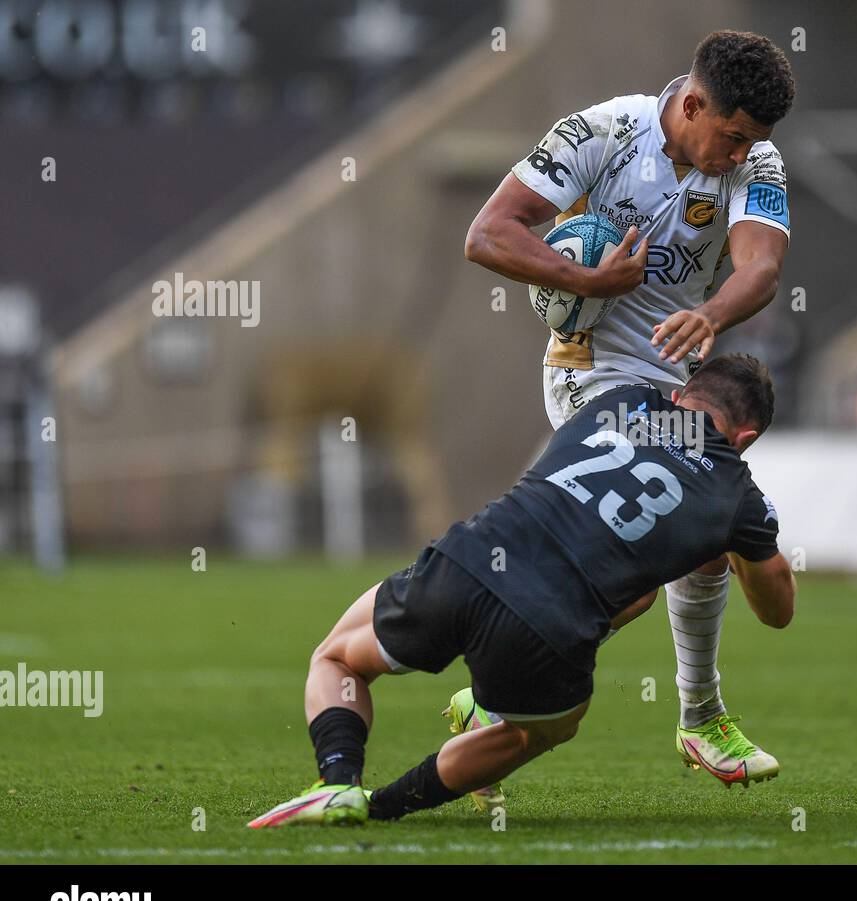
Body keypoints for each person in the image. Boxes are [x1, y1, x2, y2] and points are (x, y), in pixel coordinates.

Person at [248, 355, 796, 828]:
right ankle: (384, 808)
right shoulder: (738, 498)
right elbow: (777, 612)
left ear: (679, 395)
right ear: (745, 440)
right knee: (539, 729)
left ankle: (339, 779)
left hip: (471, 562)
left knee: (338, 657)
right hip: (550, 630)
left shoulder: (627, 398)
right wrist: (739, 543)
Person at [462, 30, 795, 790]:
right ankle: (689, 716)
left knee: (693, 548)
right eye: (733, 136)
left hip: (678, 376)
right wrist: (582, 280)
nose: (741, 154)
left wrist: (710, 313)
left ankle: (685, 716)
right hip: (590, 367)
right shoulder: (603, 133)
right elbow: (487, 234)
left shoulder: (757, 161)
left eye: (754, 143)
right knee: (670, 540)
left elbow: (763, 266)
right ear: (693, 102)